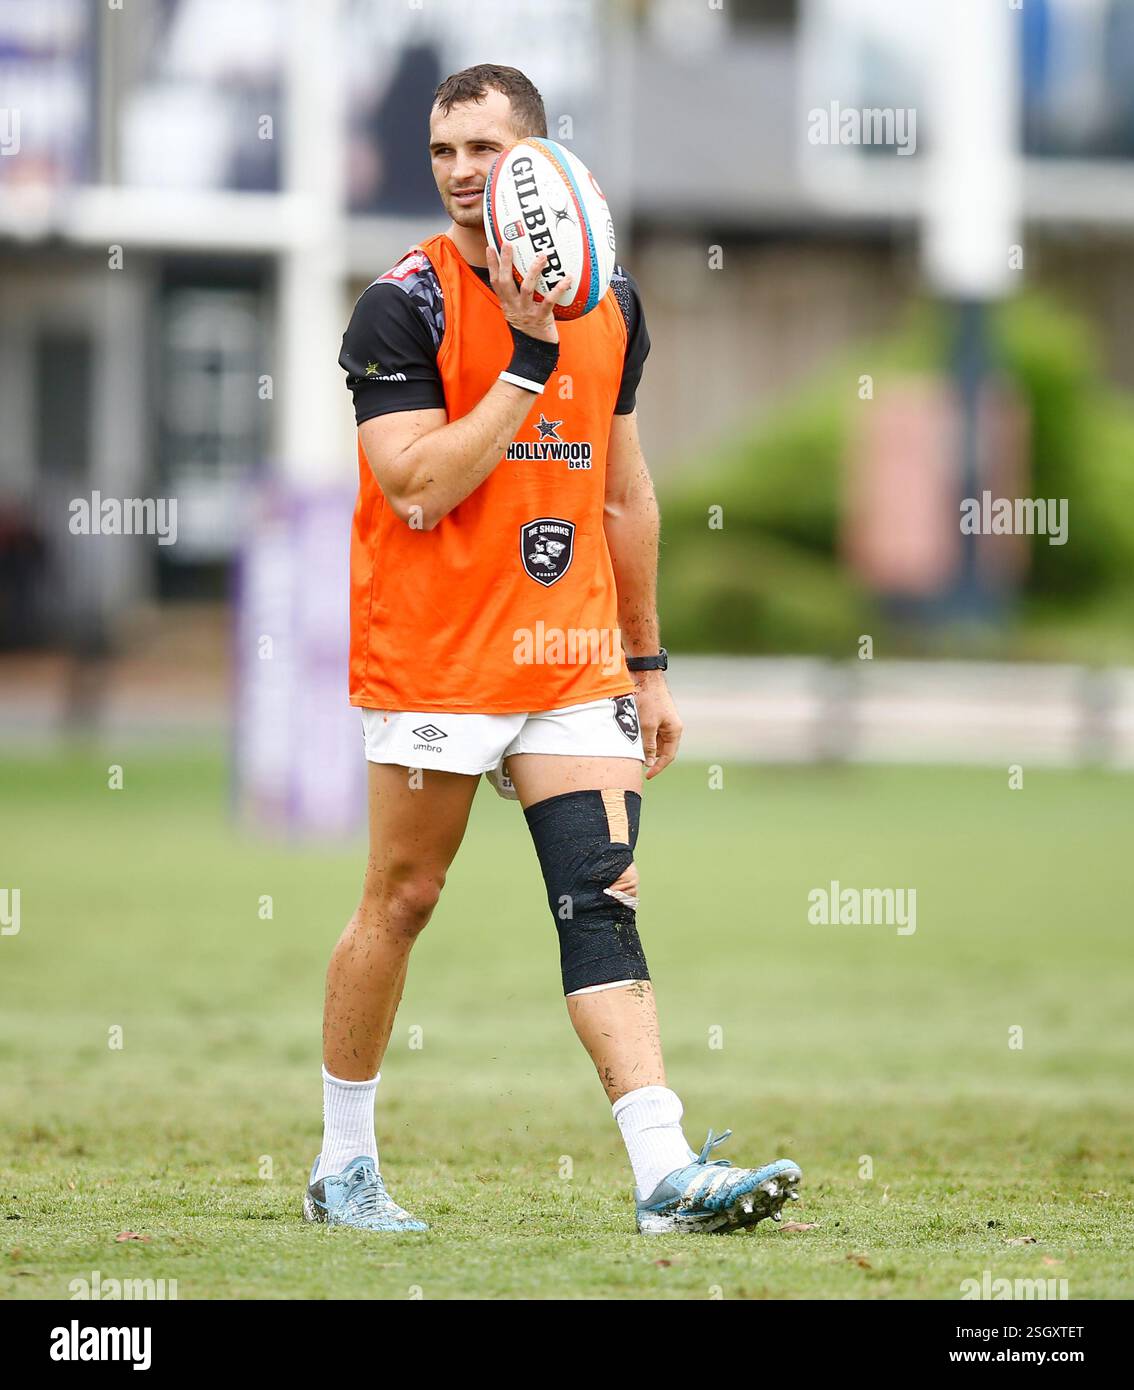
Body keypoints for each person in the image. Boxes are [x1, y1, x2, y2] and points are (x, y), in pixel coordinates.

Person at [304, 63, 802, 1235]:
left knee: (602, 896)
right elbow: (416, 484)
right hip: (436, 657)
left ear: (538, 160)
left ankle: (663, 1171)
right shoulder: (401, 306)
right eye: (444, 153)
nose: (464, 173)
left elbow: (625, 495)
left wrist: (649, 660)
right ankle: (344, 1164)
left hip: (573, 656)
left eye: (485, 148)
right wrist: (524, 360)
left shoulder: (614, 302)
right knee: (404, 897)